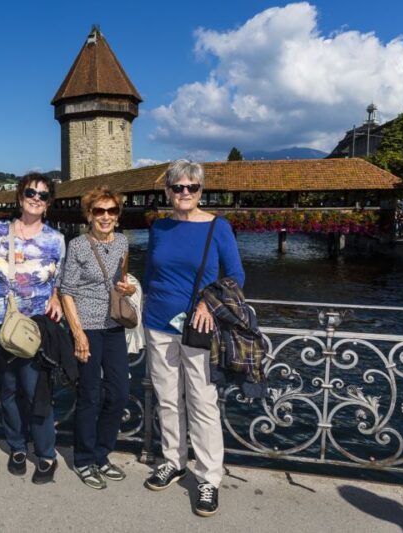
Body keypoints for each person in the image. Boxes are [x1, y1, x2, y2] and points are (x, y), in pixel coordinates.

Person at [142, 160, 245, 517]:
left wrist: (208, 303)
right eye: (178, 187)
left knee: (202, 402)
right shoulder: (160, 226)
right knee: (168, 399)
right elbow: (151, 271)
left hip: (200, 326)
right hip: (158, 324)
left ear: (201, 191)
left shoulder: (218, 227)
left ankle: (209, 477)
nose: (184, 193)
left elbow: (236, 276)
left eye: (192, 187)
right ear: (167, 191)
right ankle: (174, 461)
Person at [0, 173, 65, 484]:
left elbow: (60, 280)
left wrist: (56, 296)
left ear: (48, 203)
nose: (36, 198)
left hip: (35, 326)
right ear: (20, 197)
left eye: (43, 195)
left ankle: (46, 454)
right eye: (30, 192)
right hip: (0, 321)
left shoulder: (56, 239)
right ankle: (17, 447)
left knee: (36, 391)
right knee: (8, 389)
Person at [60, 186, 136, 490]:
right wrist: (78, 334)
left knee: (119, 393)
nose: (106, 216)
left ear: (118, 215)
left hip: (114, 326)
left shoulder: (122, 243)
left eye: (111, 211)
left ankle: (102, 455)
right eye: (99, 211)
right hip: (87, 328)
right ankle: (83, 459)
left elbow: (120, 281)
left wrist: (128, 288)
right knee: (90, 395)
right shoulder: (78, 245)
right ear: (89, 215)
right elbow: (67, 292)